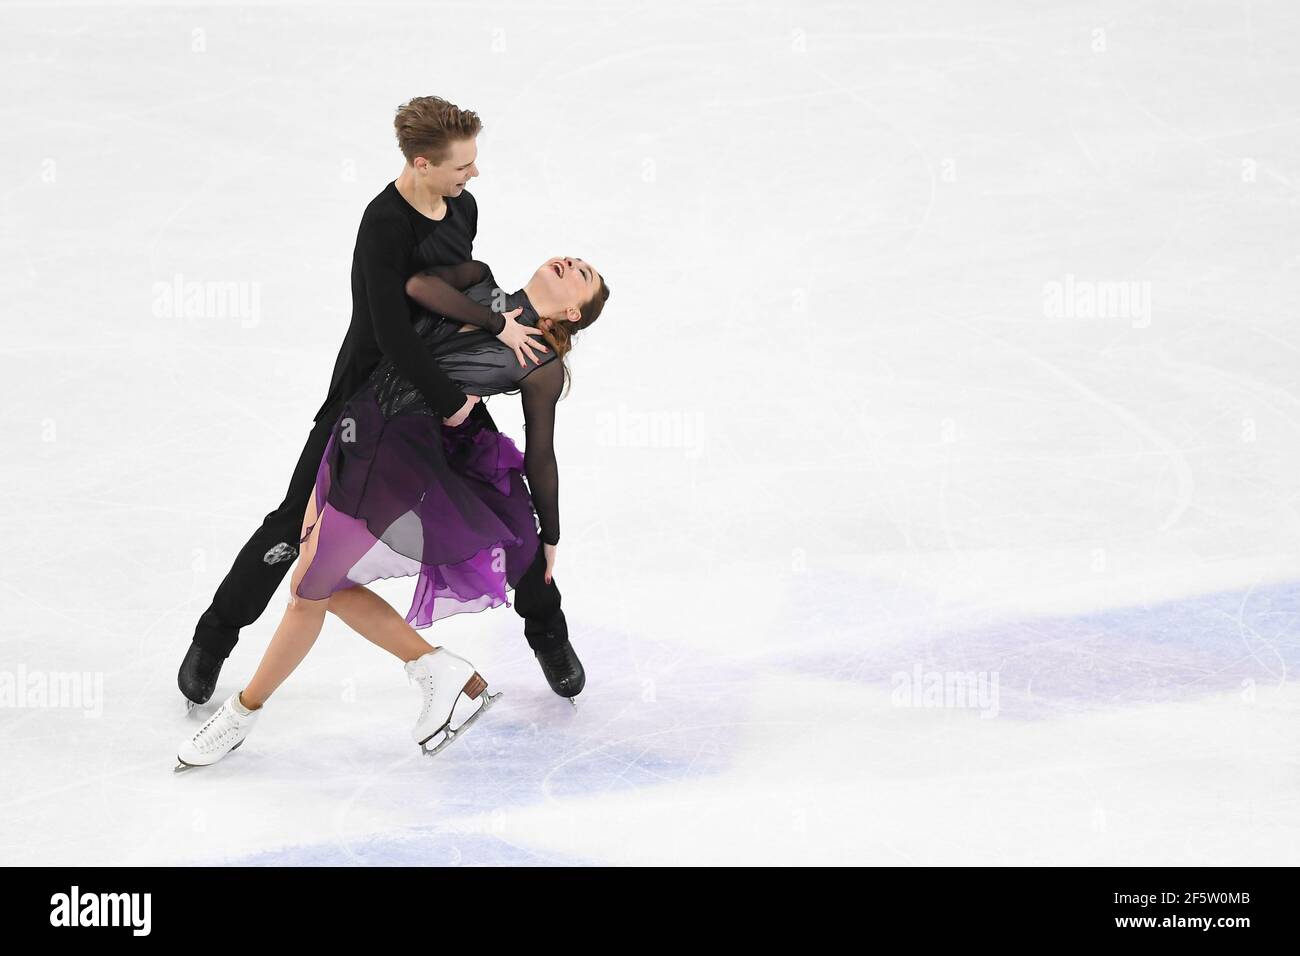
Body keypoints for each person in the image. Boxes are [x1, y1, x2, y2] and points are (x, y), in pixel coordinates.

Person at [177, 96, 582, 708]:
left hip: (449, 389)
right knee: (293, 522)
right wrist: (453, 395)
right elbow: (392, 330)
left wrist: (480, 351)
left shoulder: (462, 208)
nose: (472, 176)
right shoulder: (384, 225)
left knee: (517, 522)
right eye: (461, 166)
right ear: (421, 164)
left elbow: (452, 299)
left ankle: (548, 633)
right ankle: (214, 637)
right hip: (373, 394)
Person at [175, 256, 610, 769]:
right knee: (313, 580)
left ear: (570, 314)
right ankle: (433, 668)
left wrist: (551, 531)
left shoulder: (542, 365)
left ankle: (242, 714)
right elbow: (415, 284)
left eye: (581, 274)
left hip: (402, 450)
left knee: (312, 590)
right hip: (359, 422)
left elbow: (542, 453)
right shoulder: (482, 286)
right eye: (571, 259)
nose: (569, 262)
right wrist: (497, 323)